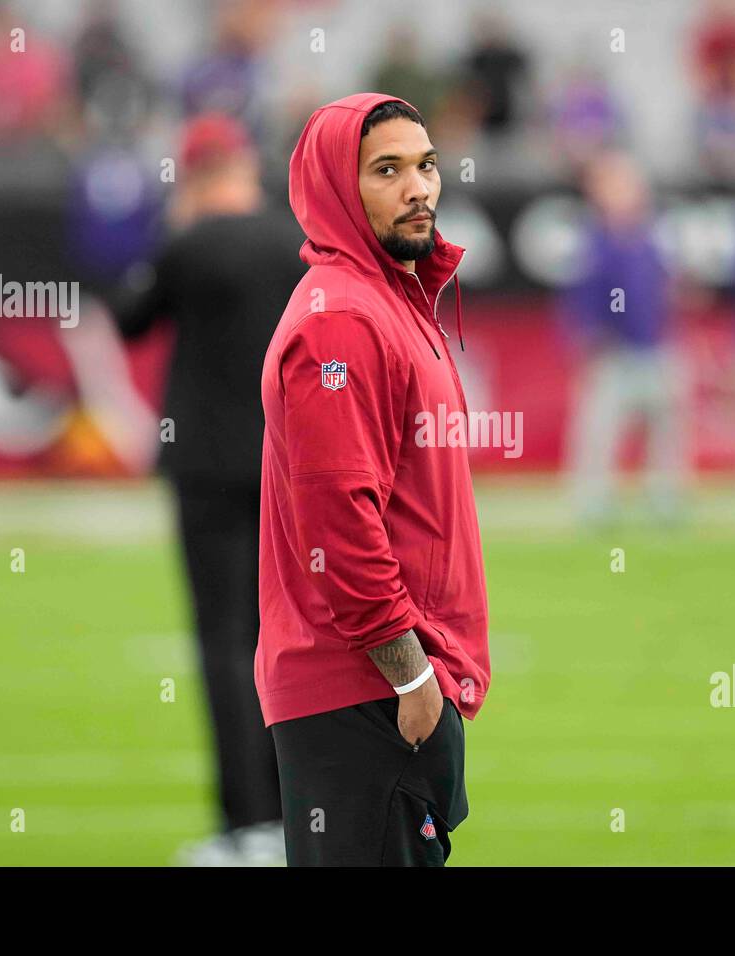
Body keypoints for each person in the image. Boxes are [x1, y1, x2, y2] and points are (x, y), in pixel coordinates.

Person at [258, 94, 491, 866]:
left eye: (426, 165)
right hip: (365, 690)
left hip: (389, 688)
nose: (419, 188)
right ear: (336, 189)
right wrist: (413, 676)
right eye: (387, 170)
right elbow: (339, 522)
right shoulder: (341, 321)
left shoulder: (387, 300)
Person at [112, 113, 305, 865]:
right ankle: (294, 817)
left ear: (193, 174)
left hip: (204, 469)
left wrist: (174, 228)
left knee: (223, 645)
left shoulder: (188, 245)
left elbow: (129, 319)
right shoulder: (292, 243)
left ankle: (246, 824)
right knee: (282, 645)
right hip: (285, 465)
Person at [561, 148, 682, 524]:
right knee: (599, 433)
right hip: (613, 355)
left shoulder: (650, 238)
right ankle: (594, 506)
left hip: (654, 351)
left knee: (665, 434)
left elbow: (663, 292)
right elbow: (579, 301)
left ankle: (665, 502)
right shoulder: (595, 243)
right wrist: (587, 339)